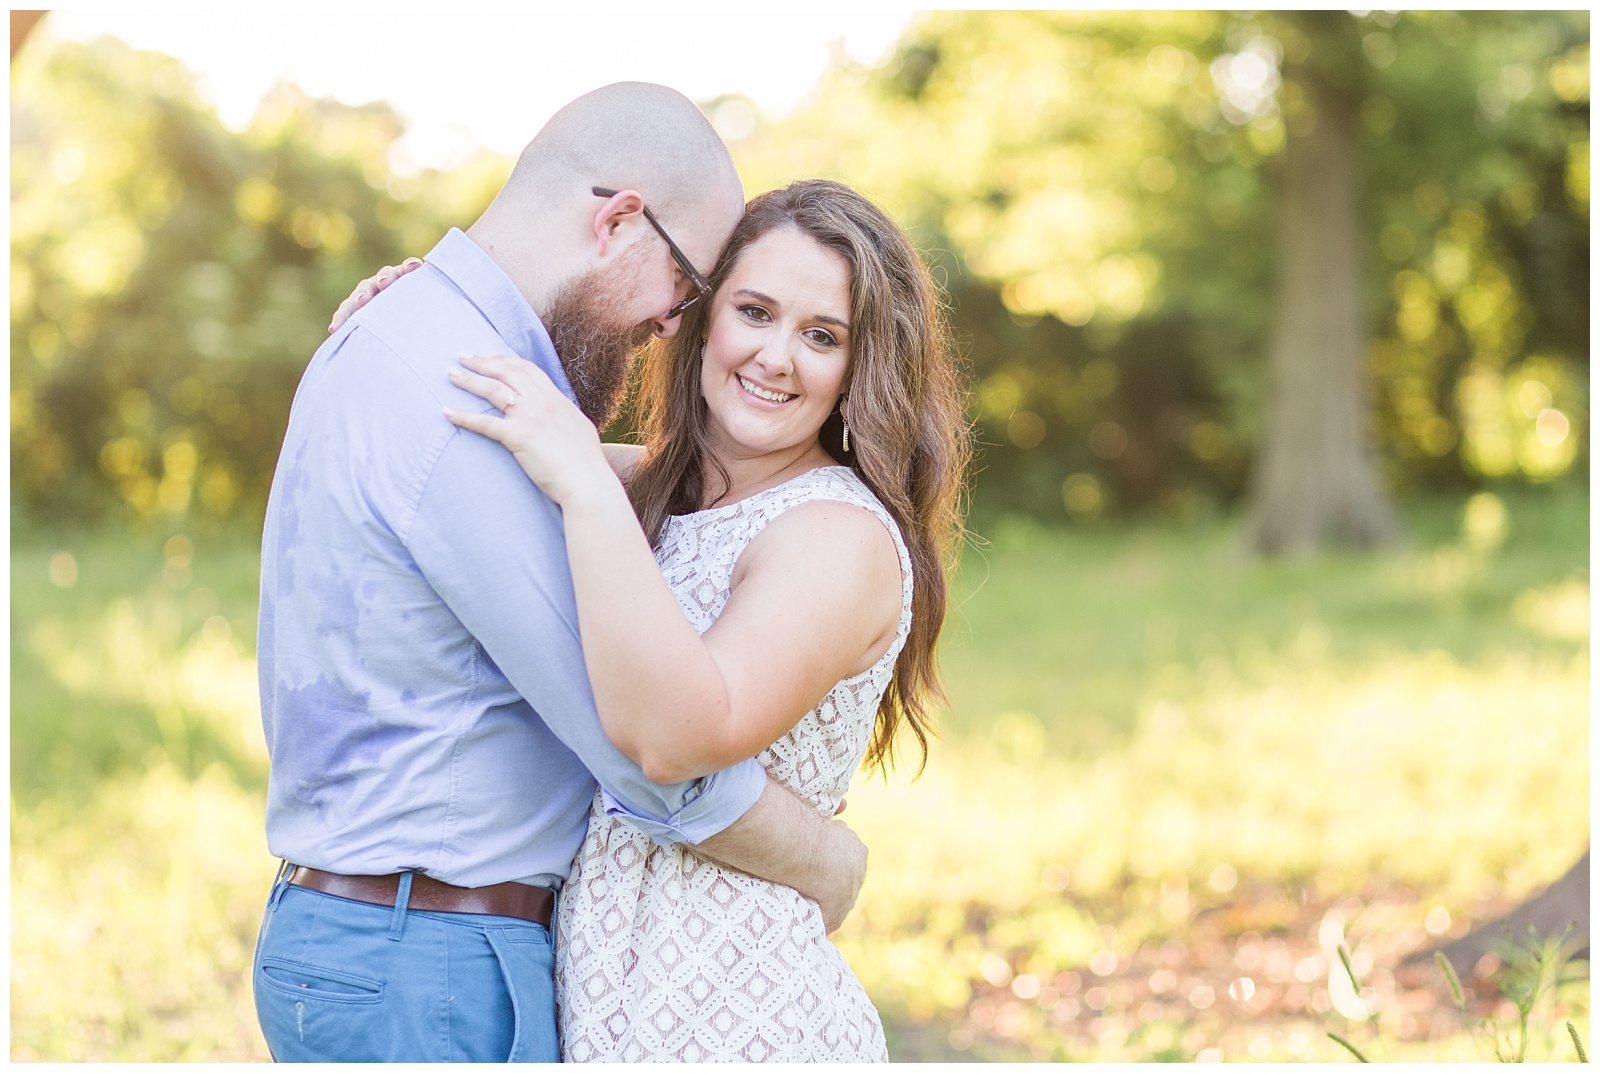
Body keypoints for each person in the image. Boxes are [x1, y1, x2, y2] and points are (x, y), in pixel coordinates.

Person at [251, 84, 872, 1064]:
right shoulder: (468, 393)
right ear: (620, 220)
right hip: (430, 961)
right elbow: (644, 747)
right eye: (694, 282)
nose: (678, 320)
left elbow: (651, 479)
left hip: (389, 938)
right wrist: (830, 858)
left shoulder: (413, 341)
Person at [359, 178, 969, 1060]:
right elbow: (461, 435)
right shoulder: (653, 494)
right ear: (703, 315)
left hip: (741, 1019)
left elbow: (681, 737)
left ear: (860, 367)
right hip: (604, 998)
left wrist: (577, 477)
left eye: (822, 336)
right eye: (754, 312)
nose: (776, 358)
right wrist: (413, 324)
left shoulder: (838, 535)